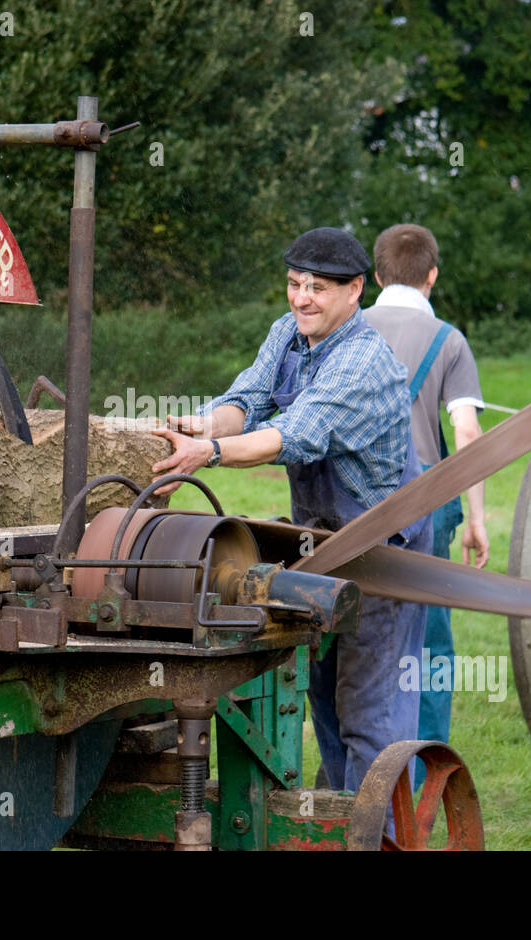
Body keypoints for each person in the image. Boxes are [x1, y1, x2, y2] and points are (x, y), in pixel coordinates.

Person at [151, 226, 432, 794]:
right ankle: (339, 814)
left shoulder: (361, 362)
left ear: (356, 291)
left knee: (369, 706)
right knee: (324, 695)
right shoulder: (290, 334)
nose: (302, 297)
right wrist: (201, 426)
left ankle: (375, 826)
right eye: (294, 283)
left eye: (318, 288)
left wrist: (208, 454)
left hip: (381, 547)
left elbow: (290, 436)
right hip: (323, 545)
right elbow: (247, 402)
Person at [364, 223, 488, 785]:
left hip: (352, 505)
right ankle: (418, 780)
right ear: (432, 275)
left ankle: (356, 777)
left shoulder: (346, 329)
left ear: (374, 275)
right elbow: (466, 434)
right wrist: (476, 519)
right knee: (428, 641)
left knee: (356, 634)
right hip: (426, 506)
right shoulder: (449, 340)